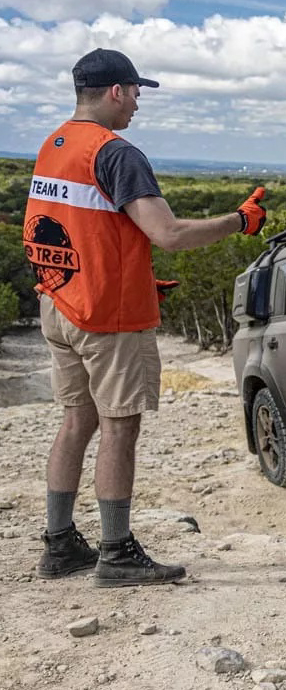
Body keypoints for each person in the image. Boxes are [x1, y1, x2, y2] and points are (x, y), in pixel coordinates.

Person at [23, 48, 268, 587]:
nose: (137, 103)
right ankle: (116, 554)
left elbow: (62, 229)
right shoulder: (117, 153)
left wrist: (126, 274)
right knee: (119, 426)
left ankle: (59, 546)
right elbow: (170, 234)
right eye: (135, 92)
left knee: (75, 421)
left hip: (59, 303)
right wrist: (241, 221)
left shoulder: (53, 146)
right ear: (115, 91)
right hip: (105, 319)